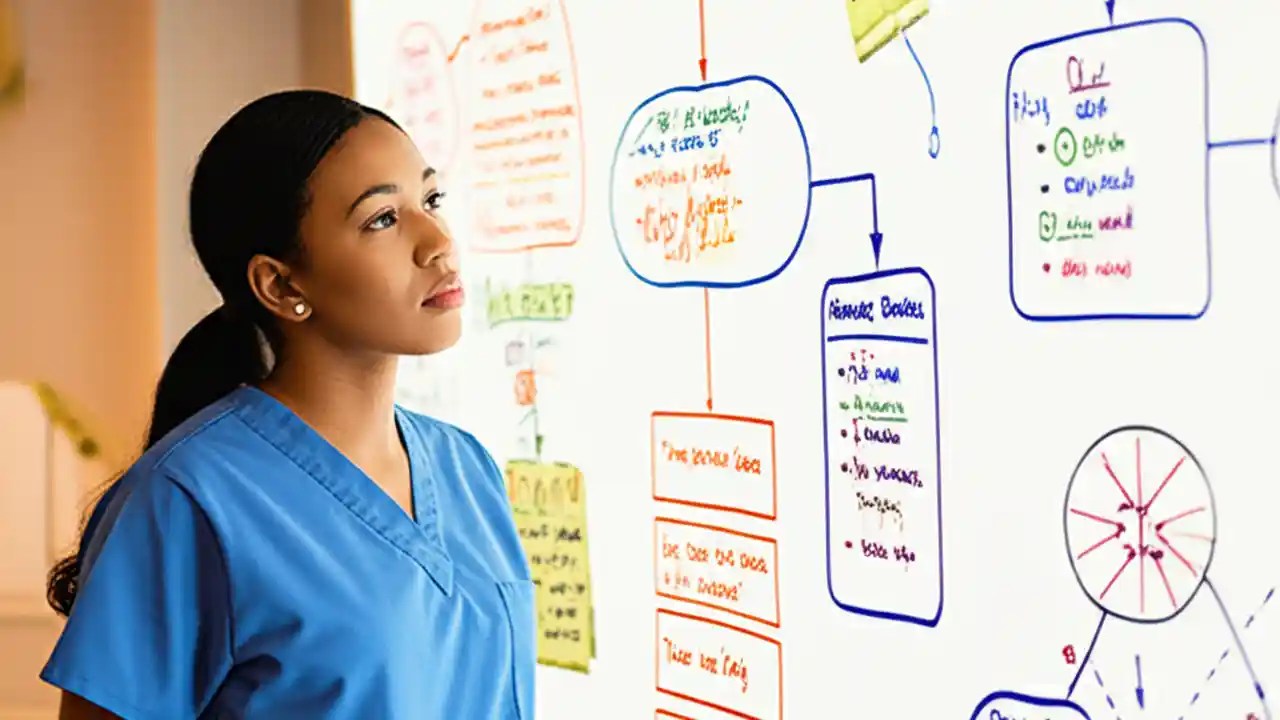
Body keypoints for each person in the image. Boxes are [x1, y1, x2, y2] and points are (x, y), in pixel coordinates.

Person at [39, 89, 535, 719]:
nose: (437, 242)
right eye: (382, 219)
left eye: (431, 200)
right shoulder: (186, 499)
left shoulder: (468, 469)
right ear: (281, 283)